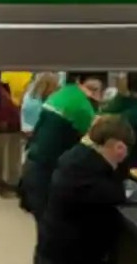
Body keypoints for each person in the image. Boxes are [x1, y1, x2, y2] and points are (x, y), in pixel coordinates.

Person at [35, 115, 136, 264]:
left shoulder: (77, 157)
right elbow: (117, 195)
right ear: (119, 148)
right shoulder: (90, 176)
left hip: (52, 258)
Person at [19, 72, 106, 222]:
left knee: (45, 228)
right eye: (92, 89)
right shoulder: (81, 104)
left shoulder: (61, 94)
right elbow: (97, 139)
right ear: (79, 82)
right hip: (47, 173)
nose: (95, 94)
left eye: (98, 90)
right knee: (52, 228)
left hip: (33, 165)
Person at [0, 72, 24, 197]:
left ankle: (2, 185)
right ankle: (3, 186)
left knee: (1, 158)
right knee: (5, 158)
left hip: (2, 126)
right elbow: (6, 108)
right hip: (6, 127)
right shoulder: (1, 93)